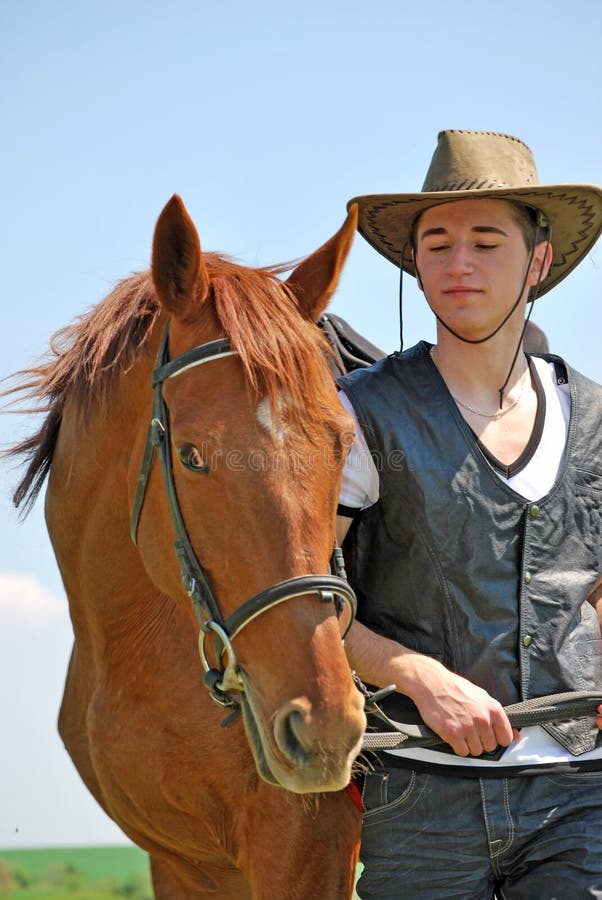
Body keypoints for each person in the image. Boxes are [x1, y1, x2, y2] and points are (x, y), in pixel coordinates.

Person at [337, 130, 602, 899]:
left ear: (539, 261)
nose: (458, 264)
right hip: (421, 797)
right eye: (437, 244)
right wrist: (418, 675)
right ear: (414, 266)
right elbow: (312, 604)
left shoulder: (594, 417)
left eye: (486, 242)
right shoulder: (360, 415)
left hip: (584, 797)